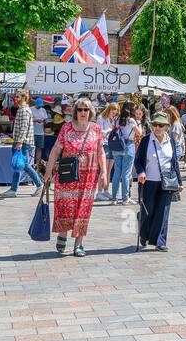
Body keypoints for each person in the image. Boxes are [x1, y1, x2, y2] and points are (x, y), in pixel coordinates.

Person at [45, 98, 106, 257]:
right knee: (66, 206)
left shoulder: (96, 129)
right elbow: (56, 150)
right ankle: (63, 234)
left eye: (86, 110)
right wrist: (48, 171)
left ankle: (79, 244)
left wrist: (104, 173)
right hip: (68, 175)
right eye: (80, 109)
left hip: (89, 176)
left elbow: (101, 152)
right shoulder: (66, 128)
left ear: (90, 112)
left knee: (83, 209)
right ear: (75, 112)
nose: (83, 113)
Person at [135, 112, 183, 251]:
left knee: (163, 211)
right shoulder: (146, 140)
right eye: (154, 125)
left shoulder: (171, 141)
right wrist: (141, 172)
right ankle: (144, 235)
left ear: (167, 127)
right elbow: (137, 160)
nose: (157, 128)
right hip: (148, 181)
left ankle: (160, 241)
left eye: (160, 125)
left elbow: (174, 163)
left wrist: (179, 182)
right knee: (147, 210)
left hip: (167, 181)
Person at [1, 89, 45, 197]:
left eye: (18, 97)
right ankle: (13, 189)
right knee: (18, 165)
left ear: (24, 98)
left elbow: (24, 128)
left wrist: (19, 142)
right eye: (16, 97)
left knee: (23, 165)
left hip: (22, 142)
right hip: (22, 141)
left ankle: (39, 185)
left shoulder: (24, 110)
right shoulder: (24, 109)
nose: (16, 99)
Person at [107, 102, 139, 204]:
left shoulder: (117, 119)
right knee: (126, 173)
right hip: (128, 146)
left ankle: (114, 198)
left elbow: (113, 130)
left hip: (117, 146)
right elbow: (139, 133)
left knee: (117, 172)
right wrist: (138, 123)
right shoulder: (131, 120)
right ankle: (125, 198)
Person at [31, 97, 48, 167]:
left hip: (41, 132)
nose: (40, 106)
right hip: (32, 132)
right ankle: (31, 163)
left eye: (41, 105)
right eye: (39, 105)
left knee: (39, 148)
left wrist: (45, 122)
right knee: (32, 148)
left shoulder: (43, 110)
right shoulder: (31, 109)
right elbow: (28, 119)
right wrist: (36, 120)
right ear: (36, 103)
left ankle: (37, 164)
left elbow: (45, 119)